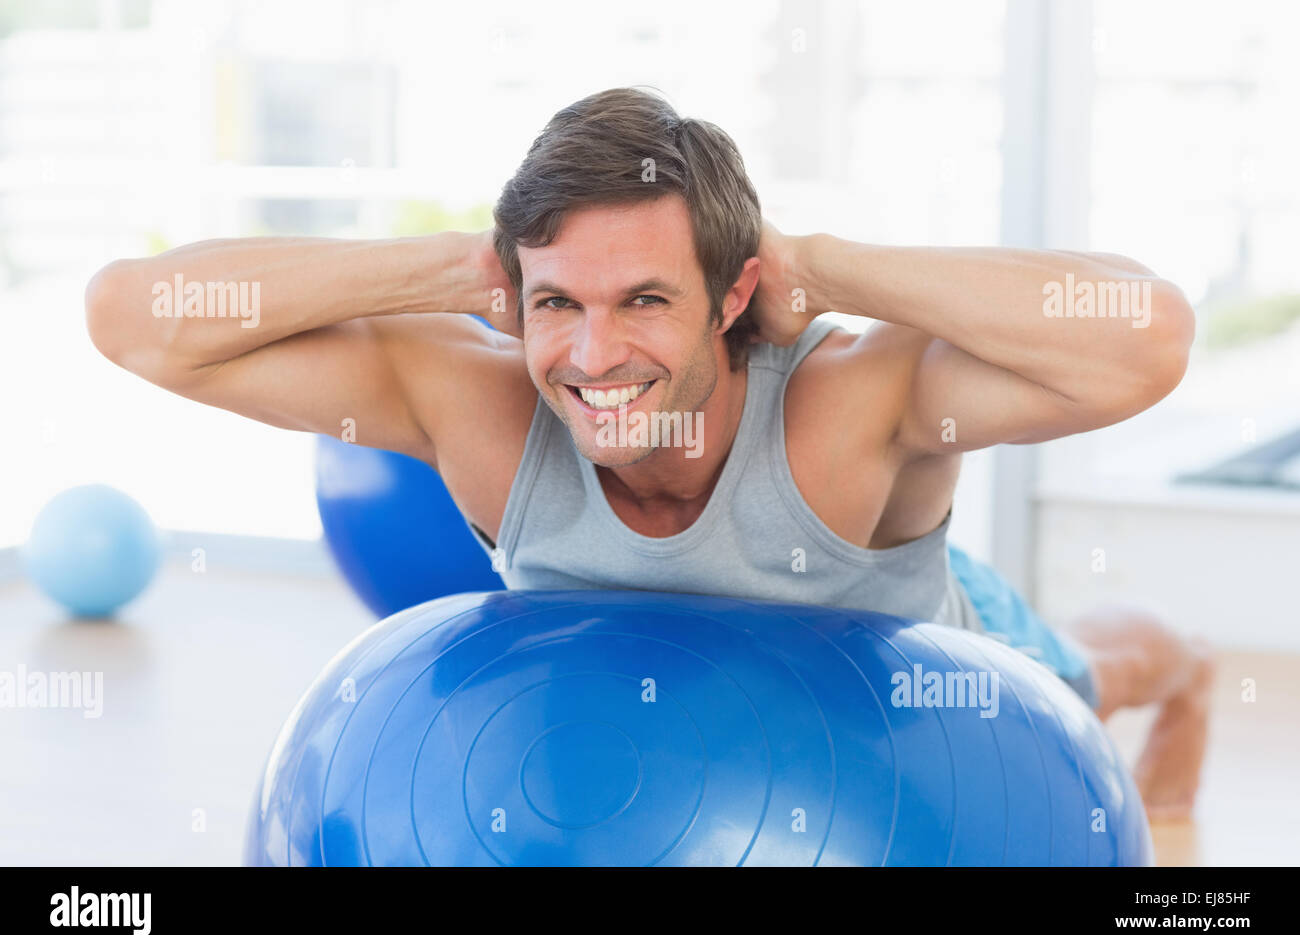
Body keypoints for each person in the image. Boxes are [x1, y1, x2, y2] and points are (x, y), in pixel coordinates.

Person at [85, 87, 1212, 820]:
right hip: (653, 749)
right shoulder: (482, 405)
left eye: (644, 299)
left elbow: (1145, 343)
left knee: (1086, 672)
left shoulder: (842, 406)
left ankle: (1189, 669)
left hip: (920, 667)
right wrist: (441, 271)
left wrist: (827, 266)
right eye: (556, 300)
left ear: (733, 294)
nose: (591, 354)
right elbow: (134, 319)